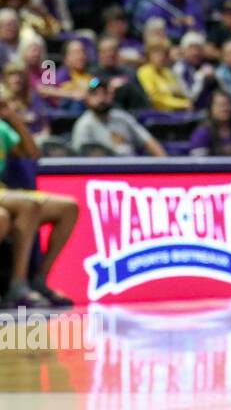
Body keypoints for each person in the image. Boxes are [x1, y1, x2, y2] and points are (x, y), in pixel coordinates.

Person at [0, 100, 79, 308]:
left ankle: (39, 279)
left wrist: (13, 118)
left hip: (4, 192)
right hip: (7, 197)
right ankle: (17, 285)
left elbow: (32, 154)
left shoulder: (2, 129)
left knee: (68, 207)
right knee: (24, 206)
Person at [71, 75, 167, 157]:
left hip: (131, 169)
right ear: (87, 98)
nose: (101, 98)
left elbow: (150, 142)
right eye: (95, 94)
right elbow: (81, 157)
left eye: (105, 93)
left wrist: (165, 165)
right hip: (102, 173)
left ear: (112, 95)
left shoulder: (122, 117)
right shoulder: (84, 124)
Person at [187, 88, 231, 156]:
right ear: (211, 108)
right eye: (220, 105)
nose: (225, 108)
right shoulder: (202, 134)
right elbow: (198, 163)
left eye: (228, 104)